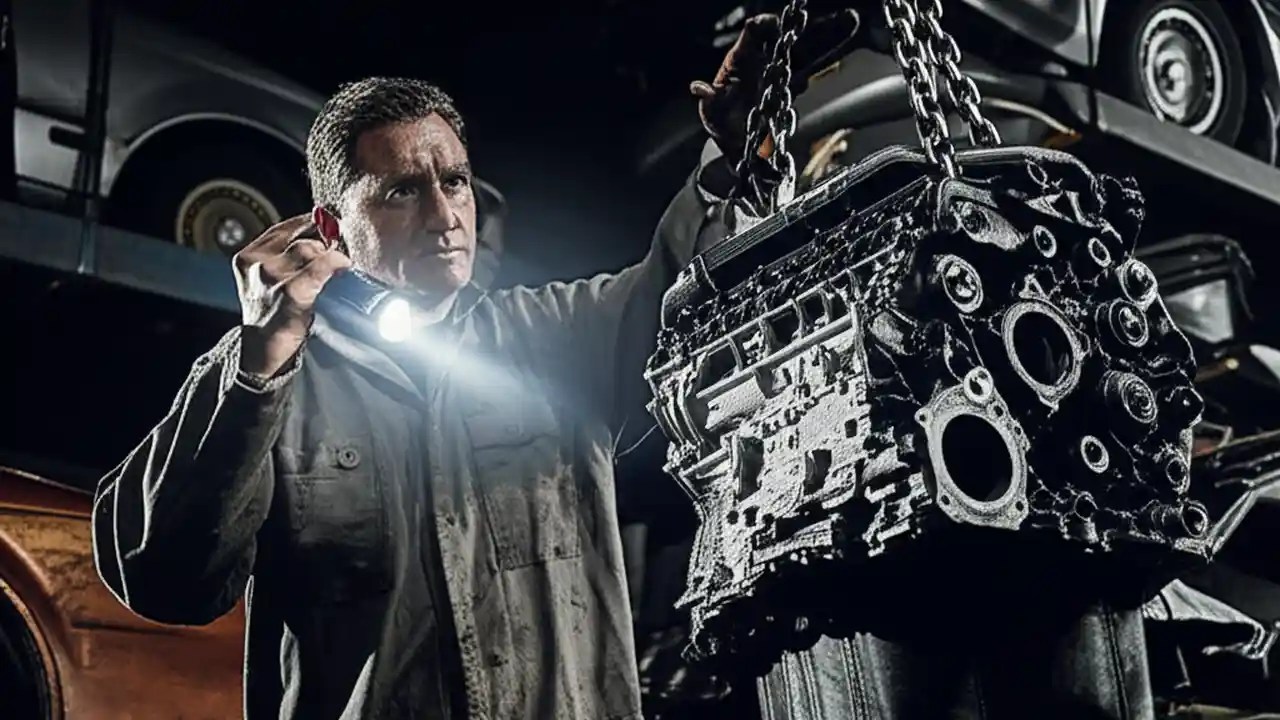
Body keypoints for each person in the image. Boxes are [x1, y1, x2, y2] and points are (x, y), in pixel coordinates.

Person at [90, 10, 860, 720]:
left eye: (453, 180)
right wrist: (258, 364)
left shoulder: (547, 339)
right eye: (401, 190)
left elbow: (685, 290)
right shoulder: (266, 377)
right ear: (330, 224)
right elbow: (163, 577)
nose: (444, 214)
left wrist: (731, 155)